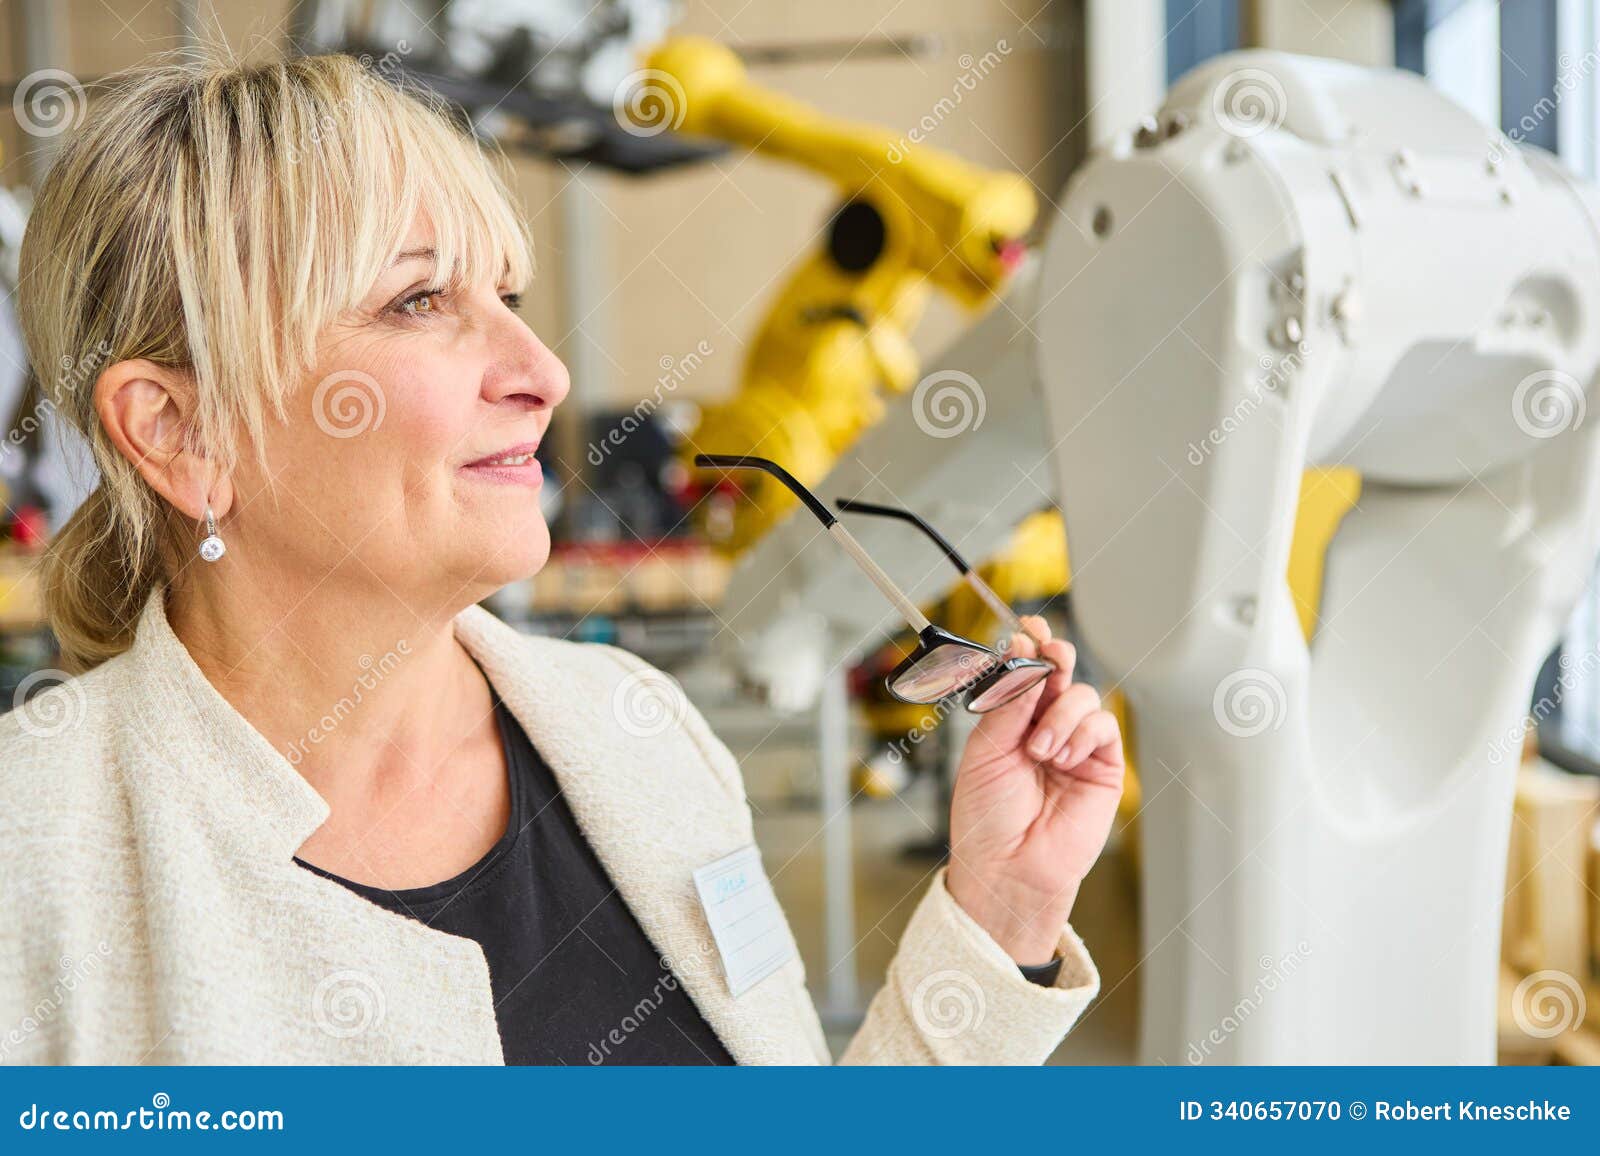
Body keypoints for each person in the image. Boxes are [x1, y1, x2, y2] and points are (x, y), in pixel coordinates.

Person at [0, 53, 1124, 1065]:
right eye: (419, 298)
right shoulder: (34, 858)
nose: (542, 369)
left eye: (510, 295)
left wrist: (998, 916)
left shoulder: (638, 732)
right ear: (180, 433)